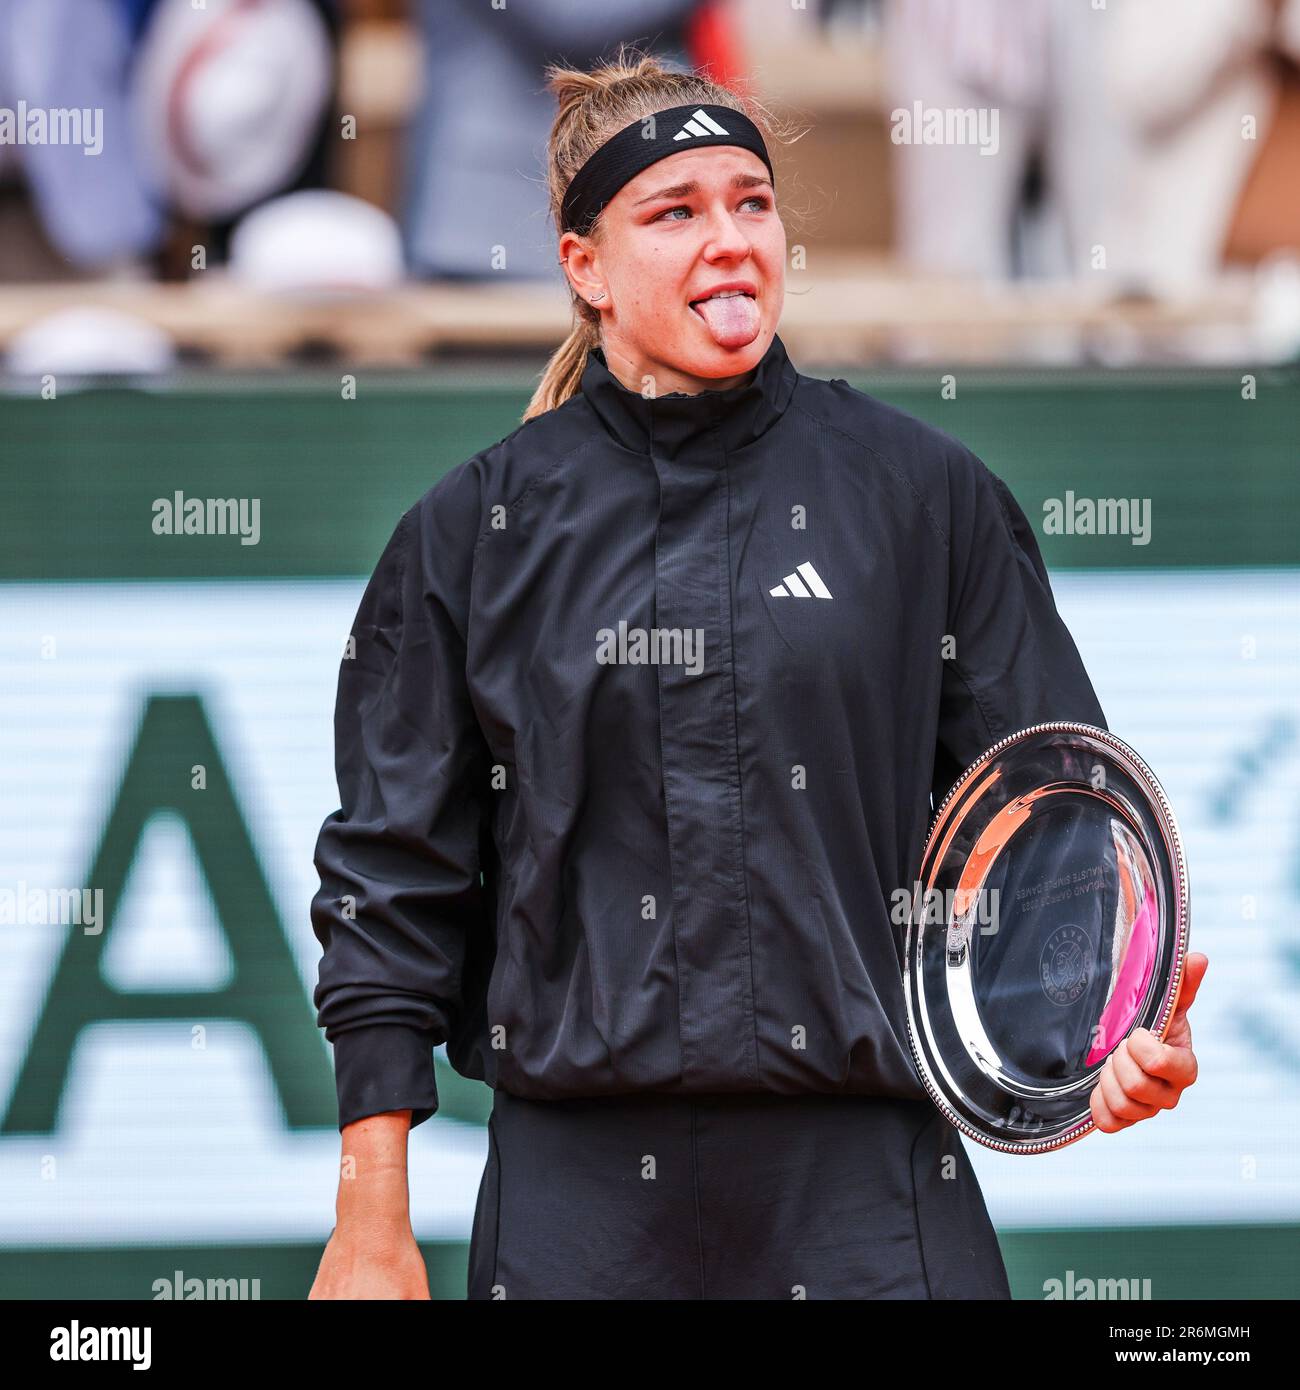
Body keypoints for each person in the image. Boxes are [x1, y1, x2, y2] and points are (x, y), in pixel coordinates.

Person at [308, 46, 1206, 1302]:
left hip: (868, 1200)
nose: (728, 238)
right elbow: (390, 888)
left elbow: (1052, 827)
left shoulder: (925, 498)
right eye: (673, 213)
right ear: (585, 269)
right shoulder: (470, 534)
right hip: (575, 1211)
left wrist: (1105, 1043)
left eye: (751, 201)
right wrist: (370, 1225)